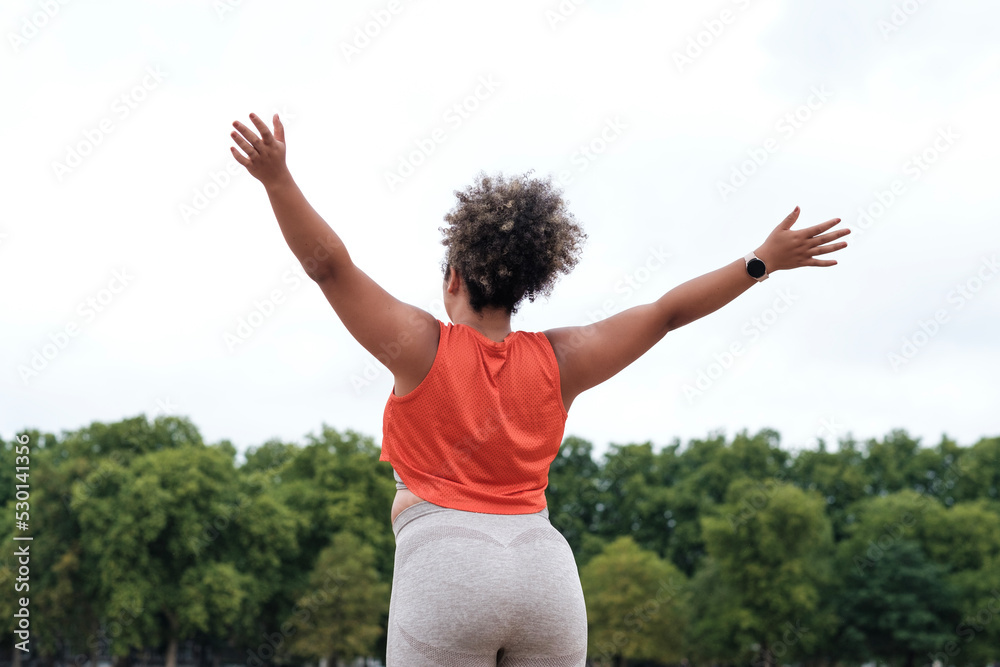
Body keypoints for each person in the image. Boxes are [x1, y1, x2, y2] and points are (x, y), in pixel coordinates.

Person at [230, 112, 850, 666]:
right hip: (545, 570)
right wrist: (760, 261)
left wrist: (277, 179)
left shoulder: (422, 346)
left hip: (446, 565)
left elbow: (329, 266)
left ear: (453, 278)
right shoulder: (561, 359)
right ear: (526, 284)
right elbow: (666, 314)